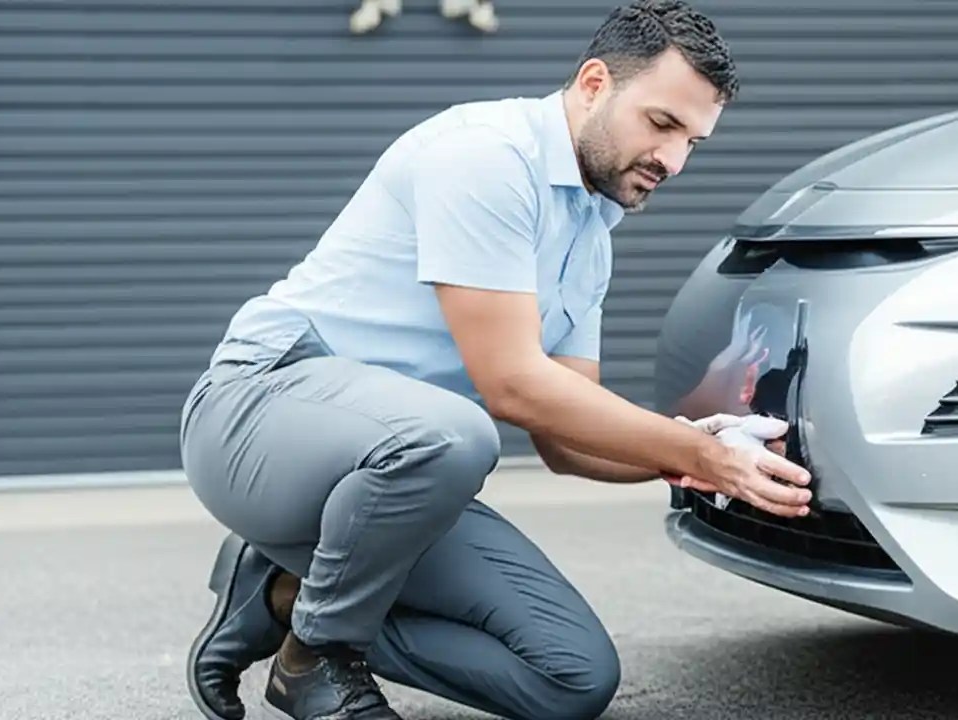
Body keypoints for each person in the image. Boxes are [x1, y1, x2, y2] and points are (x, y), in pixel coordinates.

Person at [179, 2, 813, 719]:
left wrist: (702, 446)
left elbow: (568, 439)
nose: (673, 160)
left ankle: (281, 592)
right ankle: (315, 658)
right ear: (596, 83)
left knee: (572, 679)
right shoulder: (487, 155)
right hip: (256, 411)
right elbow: (513, 388)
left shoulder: (589, 231)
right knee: (455, 435)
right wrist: (701, 458)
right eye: (662, 124)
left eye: (694, 142)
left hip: (396, 470)